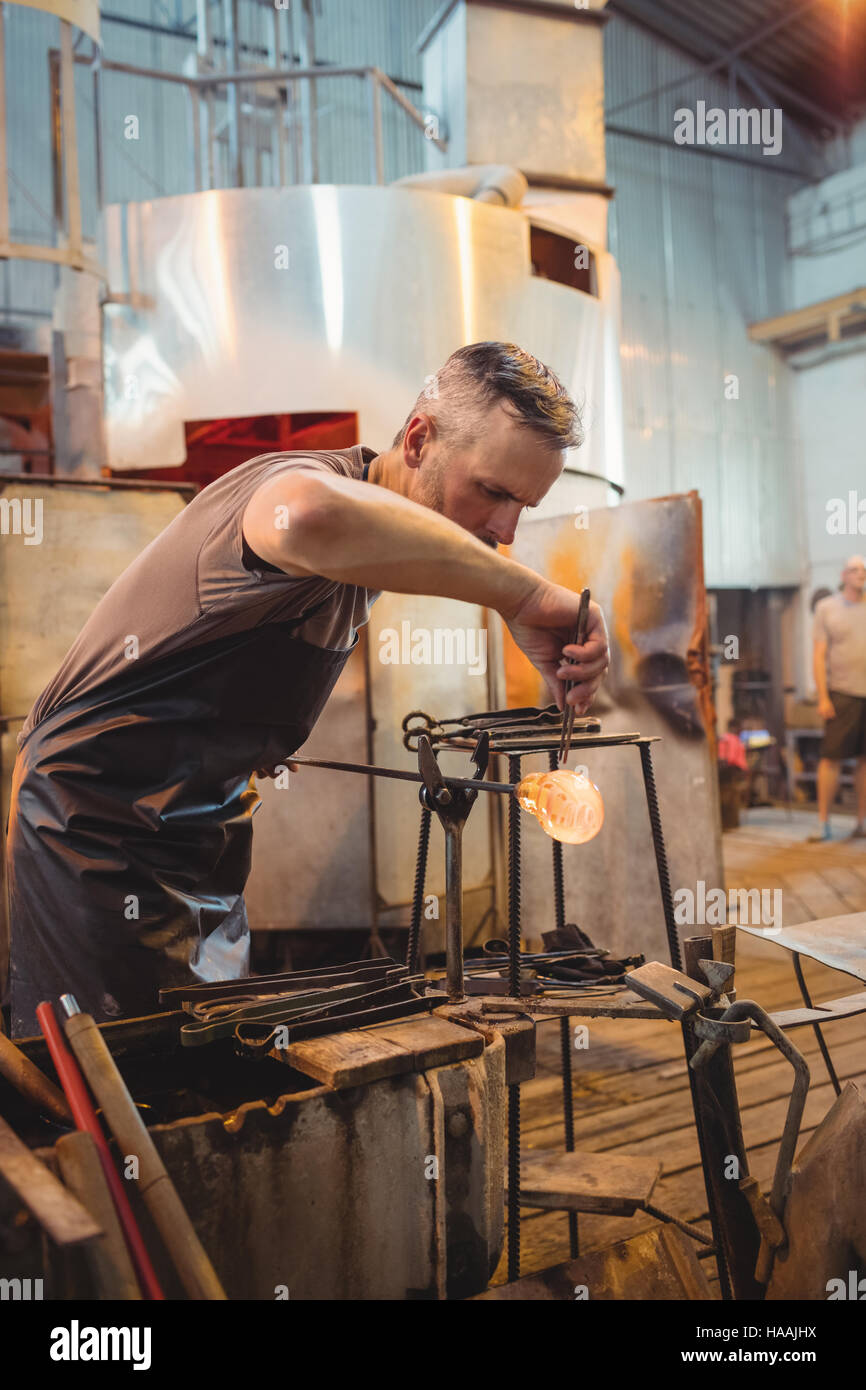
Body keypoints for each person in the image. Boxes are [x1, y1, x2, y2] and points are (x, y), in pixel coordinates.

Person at [4, 342, 610, 1036]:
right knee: (114, 1076)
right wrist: (524, 597)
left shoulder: (373, 553)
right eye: (494, 491)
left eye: (524, 504)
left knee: (201, 1054)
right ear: (418, 439)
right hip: (94, 831)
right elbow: (312, 517)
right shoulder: (303, 488)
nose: (504, 530)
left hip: (202, 835)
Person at [809, 554, 866, 842]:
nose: (861, 574)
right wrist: (823, 697)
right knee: (831, 758)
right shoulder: (826, 608)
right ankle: (823, 823)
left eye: (864, 570)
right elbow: (819, 656)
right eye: (855, 570)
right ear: (844, 575)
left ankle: (862, 821)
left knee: (864, 760)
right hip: (841, 694)